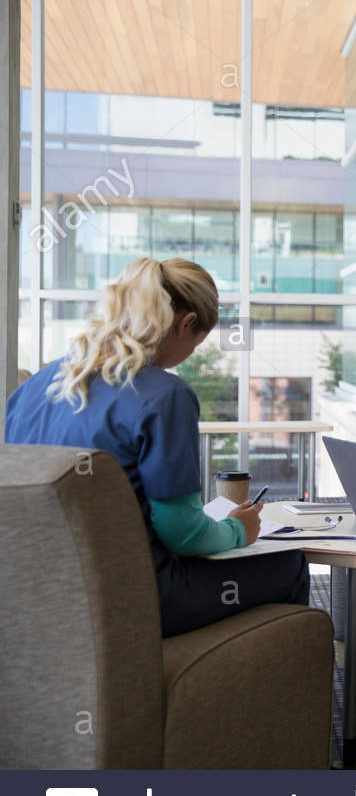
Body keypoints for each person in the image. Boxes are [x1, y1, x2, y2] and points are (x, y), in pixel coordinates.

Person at [4, 258, 308, 637]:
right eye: (197, 342)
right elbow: (183, 535)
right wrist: (236, 530)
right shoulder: (165, 397)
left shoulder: (35, 387)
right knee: (290, 563)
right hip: (136, 597)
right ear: (185, 324)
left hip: (39, 592)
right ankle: (251, 690)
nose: (192, 353)